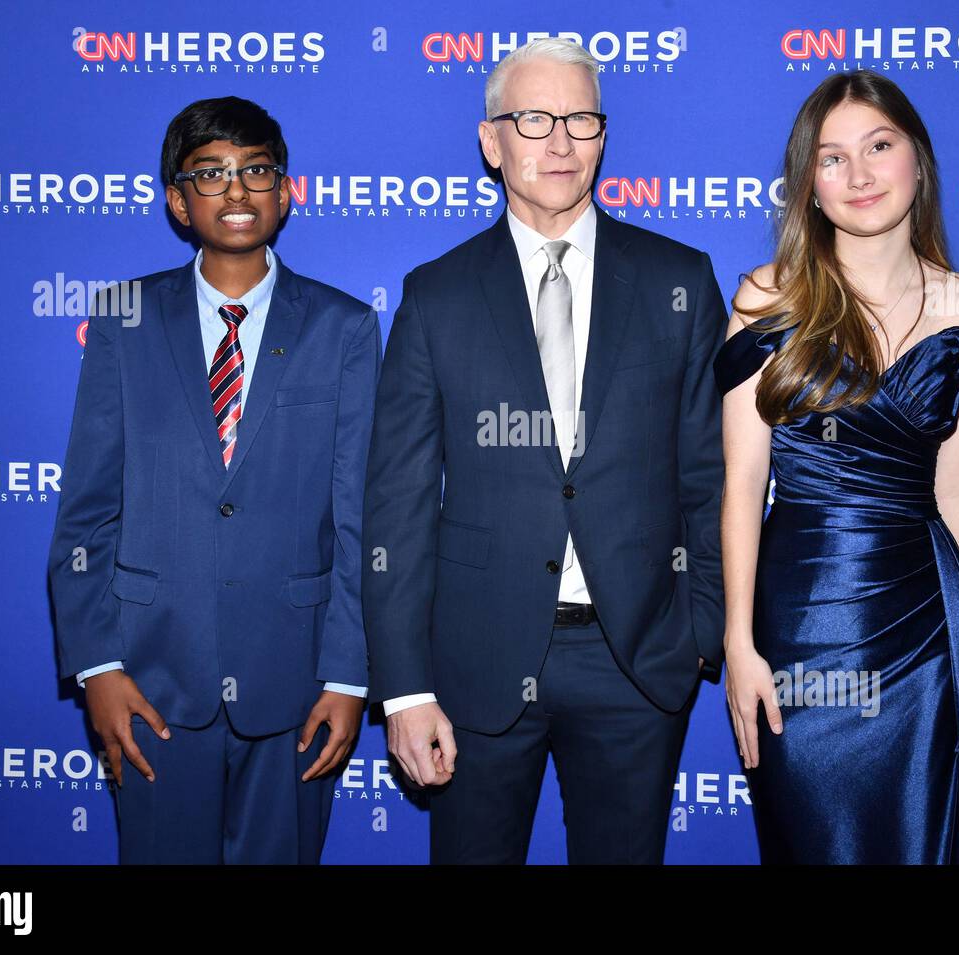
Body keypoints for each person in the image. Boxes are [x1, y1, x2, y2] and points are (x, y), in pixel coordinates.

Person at [362, 38, 727, 864]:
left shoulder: (679, 278)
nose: (559, 142)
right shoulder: (437, 294)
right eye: (534, 119)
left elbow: (710, 475)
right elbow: (399, 502)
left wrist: (702, 629)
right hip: (476, 663)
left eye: (581, 119)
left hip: (636, 661)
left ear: (603, 136)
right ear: (492, 142)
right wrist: (406, 688)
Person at [717, 71, 959, 864]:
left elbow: (958, 483)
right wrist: (738, 643)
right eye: (832, 159)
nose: (859, 175)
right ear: (809, 183)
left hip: (927, 624)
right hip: (801, 624)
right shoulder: (770, 299)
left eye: (878, 146)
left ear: (918, 160)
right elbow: (740, 485)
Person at [47, 96, 379, 863]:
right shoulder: (123, 318)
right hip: (151, 681)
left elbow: (359, 517)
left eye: (256, 170)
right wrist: (98, 665)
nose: (236, 191)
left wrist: (348, 673)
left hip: (295, 685)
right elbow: (87, 511)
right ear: (177, 200)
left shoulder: (344, 327)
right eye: (211, 174)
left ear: (287, 189)